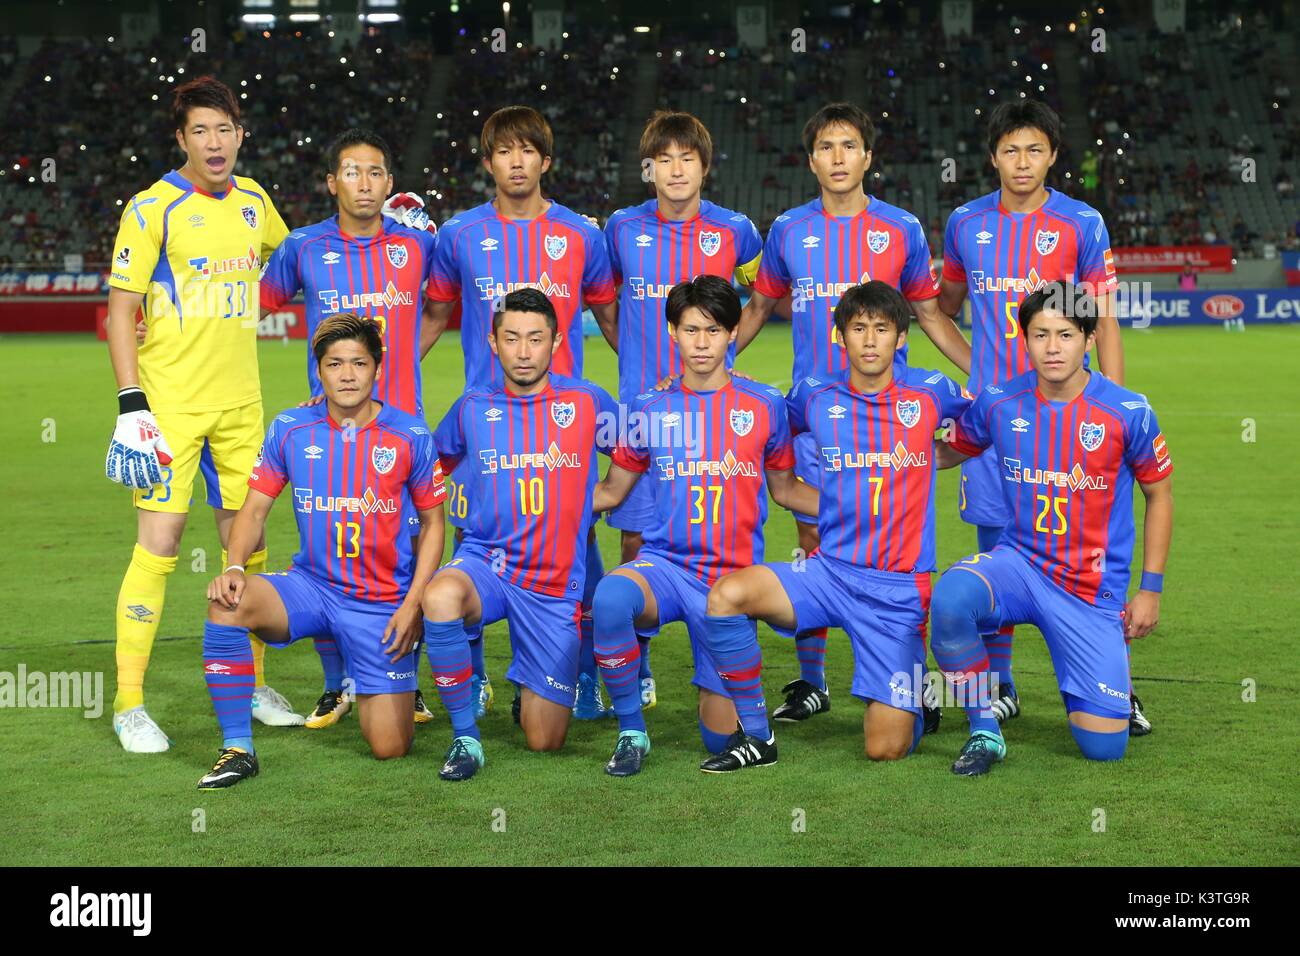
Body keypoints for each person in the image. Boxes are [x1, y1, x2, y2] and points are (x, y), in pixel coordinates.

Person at [734, 102, 970, 725]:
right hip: (820, 416)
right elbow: (757, 307)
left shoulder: (902, 229)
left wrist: (985, 373)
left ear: (868, 156)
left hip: (889, 419)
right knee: (812, 541)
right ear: (811, 160)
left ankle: (911, 677)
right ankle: (812, 684)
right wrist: (711, 367)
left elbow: (927, 313)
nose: (838, 158)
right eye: (826, 148)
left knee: (895, 543)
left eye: (849, 146)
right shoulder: (786, 229)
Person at [697, 281, 970, 772]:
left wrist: (931, 458)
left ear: (901, 338)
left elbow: (983, 426)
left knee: (883, 748)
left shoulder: (931, 393)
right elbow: (769, 429)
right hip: (827, 573)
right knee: (726, 596)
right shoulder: (813, 395)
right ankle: (759, 737)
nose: (869, 340)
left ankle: (917, 690)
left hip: (895, 591)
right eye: (858, 328)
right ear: (839, 336)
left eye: (882, 329)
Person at [104, 75, 297, 752]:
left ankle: (252, 682)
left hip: (242, 407)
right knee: (158, 548)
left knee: (250, 546)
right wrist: (133, 405)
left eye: (225, 129)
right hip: (171, 410)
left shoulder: (254, 201)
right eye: (201, 131)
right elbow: (122, 313)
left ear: (241, 135)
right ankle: (129, 702)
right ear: (181, 139)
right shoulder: (153, 207)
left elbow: (295, 258)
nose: (215, 143)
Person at [936, 99, 1136, 731]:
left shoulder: (1081, 221)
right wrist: (978, 371)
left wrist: (1116, 411)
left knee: (1091, 552)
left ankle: (1114, 684)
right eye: (1010, 150)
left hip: (1076, 417)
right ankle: (999, 685)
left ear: (1053, 155)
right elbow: (938, 306)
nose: (1022, 163)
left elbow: (1102, 319)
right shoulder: (966, 223)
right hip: (997, 420)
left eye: (1035, 150)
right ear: (992, 156)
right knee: (997, 545)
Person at [423, 106, 618, 721]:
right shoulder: (458, 235)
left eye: (527, 151)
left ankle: (582, 672)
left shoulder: (583, 236)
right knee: (472, 540)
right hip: (483, 424)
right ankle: (475, 674)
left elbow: (613, 318)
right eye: (503, 151)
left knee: (578, 541)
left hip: (562, 425)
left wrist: (669, 376)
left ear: (545, 161)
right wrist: (377, 379)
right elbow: (431, 315)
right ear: (488, 163)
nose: (516, 162)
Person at [932, 282, 1173, 775]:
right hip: (1019, 565)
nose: (1052, 347)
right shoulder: (1000, 402)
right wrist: (889, 450)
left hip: (1090, 590)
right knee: (950, 600)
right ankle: (985, 728)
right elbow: (953, 448)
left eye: (1065, 334)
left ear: (1088, 339)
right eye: (1040, 335)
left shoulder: (1127, 411)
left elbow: (1159, 495)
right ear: (1025, 340)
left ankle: (1092, 682)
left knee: (1103, 747)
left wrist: (1149, 590)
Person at [197, 315, 447, 788]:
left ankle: (372, 674)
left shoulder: (409, 435)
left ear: (377, 367)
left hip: (379, 602)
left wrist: (414, 603)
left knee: (390, 748)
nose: (347, 374)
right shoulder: (290, 428)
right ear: (319, 370)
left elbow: (435, 524)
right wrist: (233, 566)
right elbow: (252, 511)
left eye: (358, 363)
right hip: (310, 587)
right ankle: (237, 748)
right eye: (335, 364)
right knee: (226, 603)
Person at [589, 276, 816, 776]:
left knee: (718, 733)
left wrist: (858, 507)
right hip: (665, 567)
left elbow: (785, 490)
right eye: (690, 330)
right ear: (673, 332)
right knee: (609, 597)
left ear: (732, 333)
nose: (701, 343)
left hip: (731, 585)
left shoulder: (763, 405)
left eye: (713, 330)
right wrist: (542, 506)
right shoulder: (649, 408)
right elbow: (610, 492)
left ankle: (732, 707)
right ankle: (631, 731)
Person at [259, 127, 440, 729]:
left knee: (408, 550)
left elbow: (444, 305)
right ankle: (337, 684)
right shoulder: (304, 247)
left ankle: (400, 680)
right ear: (332, 182)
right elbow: (252, 302)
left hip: (398, 433)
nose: (364, 183)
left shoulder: (416, 248)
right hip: (329, 432)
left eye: (376, 173)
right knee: (329, 557)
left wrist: (407, 360)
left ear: (391, 184)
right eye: (352, 173)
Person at [420, 289, 619, 781]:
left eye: (536, 338)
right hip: (487, 562)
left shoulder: (586, 400)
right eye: (512, 339)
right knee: (441, 596)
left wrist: (606, 495)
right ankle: (466, 737)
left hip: (552, 586)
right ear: (493, 341)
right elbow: (428, 468)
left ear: (556, 342)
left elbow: (640, 447)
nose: (524, 351)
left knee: (544, 740)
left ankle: (530, 688)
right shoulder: (472, 407)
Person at [602, 110, 765, 710]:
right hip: (643, 411)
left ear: (704, 165)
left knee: (718, 536)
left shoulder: (737, 232)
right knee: (635, 537)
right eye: (663, 159)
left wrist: (730, 355)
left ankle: (723, 654)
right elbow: (603, 301)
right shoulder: (620, 228)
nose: (676, 170)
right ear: (649, 168)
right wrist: (635, 359)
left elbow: (759, 296)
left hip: (716, 414)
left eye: (687, 159)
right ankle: (635, 667)